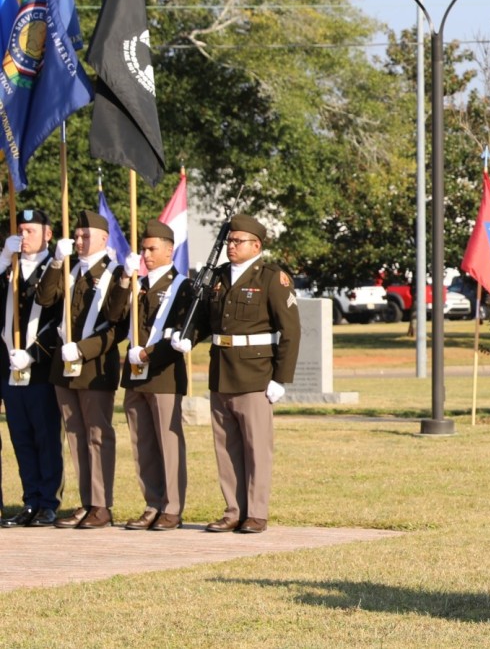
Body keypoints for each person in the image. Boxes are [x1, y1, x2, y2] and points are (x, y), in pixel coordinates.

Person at [172, 213, 300, 534]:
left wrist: (280, 378)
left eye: (237, 241)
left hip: (256, 374)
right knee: (226, 446)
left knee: (257, 447)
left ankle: (256, 512)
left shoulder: (271, 278)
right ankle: (233, 509)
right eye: (229, 241)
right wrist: (188, 336)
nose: (231, 246)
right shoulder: (217, 277)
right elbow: (203, 318)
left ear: (255, 245)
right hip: (221, 371)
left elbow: (291, 331)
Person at [35, 210, 126, 529]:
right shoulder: (69, 268)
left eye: (87, 235)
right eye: (77, 235)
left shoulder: (115, 272)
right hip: (64, 365)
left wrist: (85, 349)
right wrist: (56, 262)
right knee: (75, 435)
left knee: (98, 434)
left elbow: (119, 327)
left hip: (95, 365)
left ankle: (102, 505)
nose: (80, 240)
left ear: (104, 238)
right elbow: (45, 299)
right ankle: (87, 502)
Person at [108, 218, 194, 531]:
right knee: (142, 443)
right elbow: (113, 317)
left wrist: (147, 353)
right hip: (135, 376)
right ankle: (152, 503)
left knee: (167, 445)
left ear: (169, 251)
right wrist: (122, 280)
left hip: (163, 374)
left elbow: (182, 334)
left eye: (151, 249)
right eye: (143, 248)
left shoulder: (182, 286)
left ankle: (171, 508)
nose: (145, 254)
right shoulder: (136, 283)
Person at [0, 209, 65, 529]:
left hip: (39, 368)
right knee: (21, 437)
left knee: (45, 436)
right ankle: (30, 499)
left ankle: (48, 502)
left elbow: (59, 321)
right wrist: (2, 259)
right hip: (9, 368)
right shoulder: (8, 267)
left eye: (30, 231)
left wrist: (33, 354)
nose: (24, 237)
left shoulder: (57, 268)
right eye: (20, 230)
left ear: (47, 235)